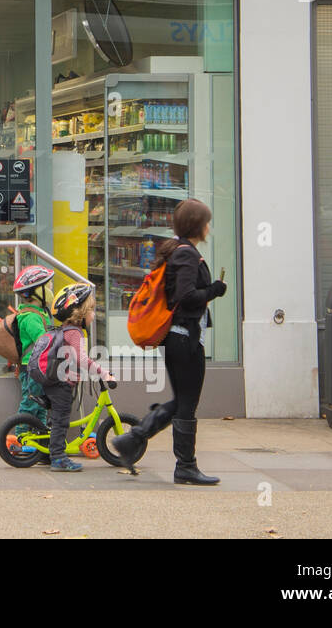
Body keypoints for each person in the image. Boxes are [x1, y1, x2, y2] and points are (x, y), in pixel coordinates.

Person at [112, 197, 226, 485]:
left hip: (176, 339)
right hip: (185, 339)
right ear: (198, 225)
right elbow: (185, 296)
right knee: (187, 404)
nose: (209, 228)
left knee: (182, 401)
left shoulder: (175, 249)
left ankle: (135, 439)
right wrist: (214, 290)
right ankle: (184, 466)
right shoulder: (187, 254)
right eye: (207, 222)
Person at [43, 282, 117, 472]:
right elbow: (82, 359)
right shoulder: (75, 332)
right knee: (61, 420)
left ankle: (50, 450)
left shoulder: (65, 330)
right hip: (62, 385)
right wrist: (103, 373)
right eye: (92, 310)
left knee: (57, 419)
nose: (94, 314)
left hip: (55, 382)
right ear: (80, 314)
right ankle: (58, 458)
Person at [9, 265, 56, 462]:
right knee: (31, 402)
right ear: (39, 291)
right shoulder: (31, 317)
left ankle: (41, 440)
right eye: (49, 285)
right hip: (32, 366)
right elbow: (43, 340)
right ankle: (20, 438)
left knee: (41, 404)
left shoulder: (36, 313)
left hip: (36, 365)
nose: (52, 289)